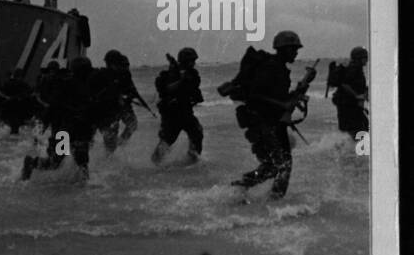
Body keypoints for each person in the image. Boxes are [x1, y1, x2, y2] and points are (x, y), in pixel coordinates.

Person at [221, 30, 317, 200]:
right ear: (283, 49)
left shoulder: (280, 69)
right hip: (260, 122)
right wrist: (283, 104)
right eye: (293, 49)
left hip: (274, 122)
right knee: (282, 165)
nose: (296, 52)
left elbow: (282, 98)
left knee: (275, 166)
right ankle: (271, 201)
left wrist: (304, 84)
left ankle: (239, 191)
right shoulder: (270, 67)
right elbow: (255, 95)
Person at [22, 56, 95, 181]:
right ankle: (31, 163)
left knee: (82, 162)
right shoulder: (67, 85)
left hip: (78, 130)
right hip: (65, 130)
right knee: (56, 162)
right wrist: (43, 125)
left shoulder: (89, 86)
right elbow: (54, 106)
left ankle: (85, 186)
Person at [151, 47, 204, 164]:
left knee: (197, 133)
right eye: (191, 61)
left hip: (185, 112)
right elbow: (166, 89)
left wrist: (195, 95)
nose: (193, 63)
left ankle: (193, 159)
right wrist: (181, 81)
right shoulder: (170, 74)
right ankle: (154, 162)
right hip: (172, 114)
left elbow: (196, 92)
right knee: (167, 140)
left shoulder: (192, 74)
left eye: (193, 61)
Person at [330, 46, 369, 139]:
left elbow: (356, 85)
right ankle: (349, 149)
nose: (367, 60)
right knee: (358, 129)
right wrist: (357, 96)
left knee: (358, 128)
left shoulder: (355, 68)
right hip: (347, 104)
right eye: (365, 58)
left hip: (348, 104)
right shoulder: (353, 69)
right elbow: (345, 84)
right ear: (359, 58)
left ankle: (348, 149)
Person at [0, 68, 36, 134]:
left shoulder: (19, 84)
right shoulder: (14, 83)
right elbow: (0, 93)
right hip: (14, 106)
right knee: (15, 124)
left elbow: (0, 93)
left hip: (16, 106)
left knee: (14, 124)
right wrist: (8, 97)